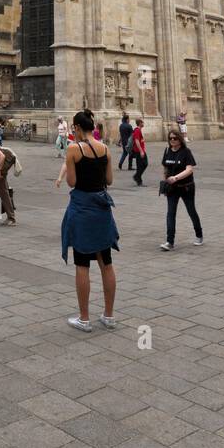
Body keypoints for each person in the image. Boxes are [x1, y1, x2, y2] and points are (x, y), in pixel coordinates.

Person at [60, 110, 118, 331]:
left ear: (75, 127)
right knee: (106, 262)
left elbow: (72, 182)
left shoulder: (74, 149)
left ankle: (84, 318)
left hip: (83, 209)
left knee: (82, 263)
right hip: (102, 209)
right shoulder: (105, 149)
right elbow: (109, 180)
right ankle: (109, 315)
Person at [159, 127, 203, 251]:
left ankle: (199, 234)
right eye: (170, 138)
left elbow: (189, 169)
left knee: (191, 211)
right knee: (170, 214)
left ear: (180, 139)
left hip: (186, 187)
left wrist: (176, 178)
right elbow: (165, 167)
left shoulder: (186, 152)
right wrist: (165, 180)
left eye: (175, 138)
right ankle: (170, 242)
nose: (172, 140)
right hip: (172, 188)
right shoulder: (167, 150)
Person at [132, 117, 148, 186]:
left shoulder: (138, 130)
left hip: (140, 150)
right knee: (143, 164)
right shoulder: (137, 130)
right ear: (140, 123)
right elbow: (136, 140)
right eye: (142, 122)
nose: (143, 123)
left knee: (143, 164)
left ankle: (138, 177)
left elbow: (138, 140)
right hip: (139, 151)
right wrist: (141, 151)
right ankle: (137, 177)